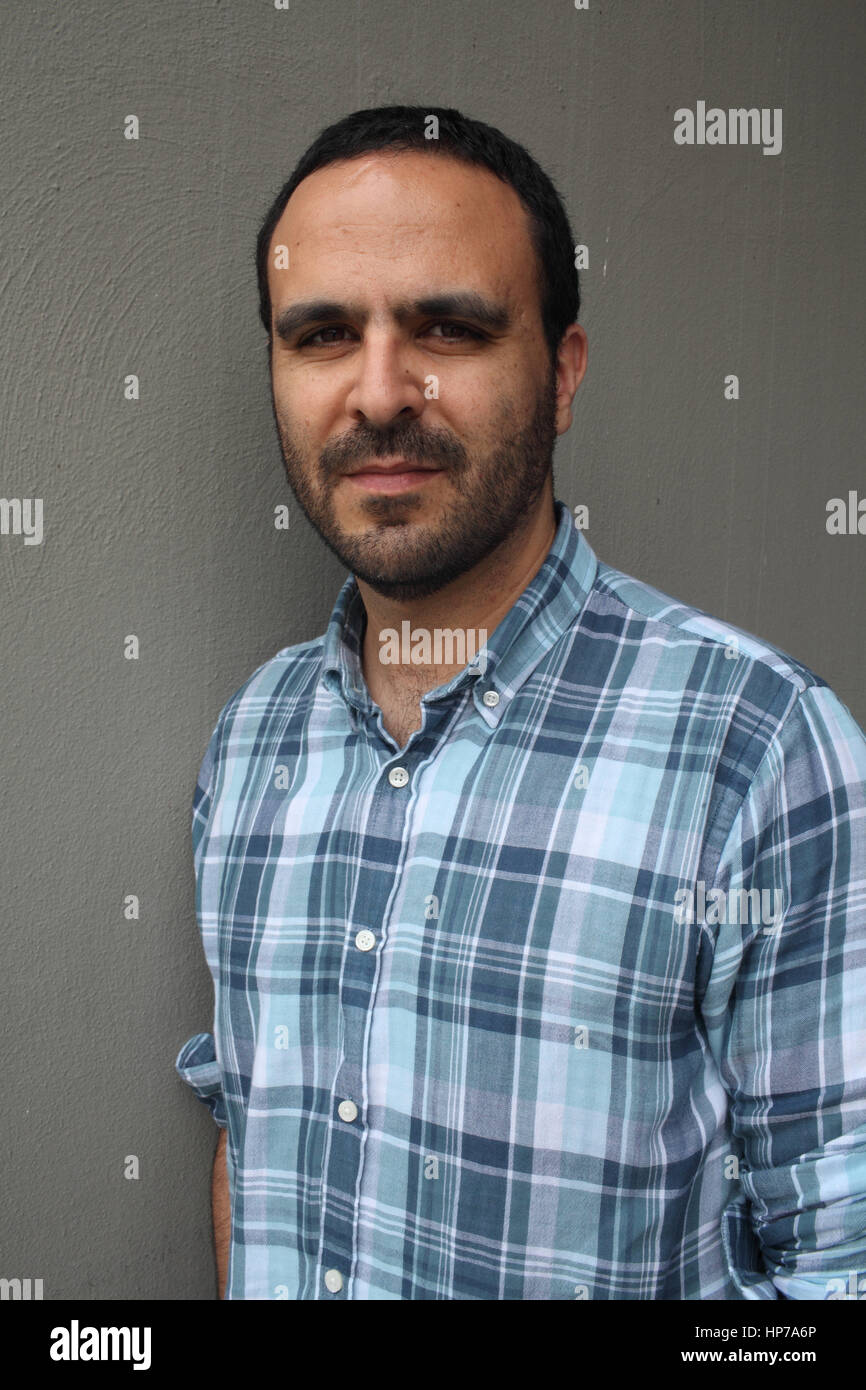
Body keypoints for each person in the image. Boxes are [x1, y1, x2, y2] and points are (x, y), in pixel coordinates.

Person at [176, 104, 866, 1301]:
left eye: (449, 326)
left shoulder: (758, 753)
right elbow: (250, 1139)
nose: (380, 393)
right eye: (324, 334)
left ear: (559, 373)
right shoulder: (251, 745)